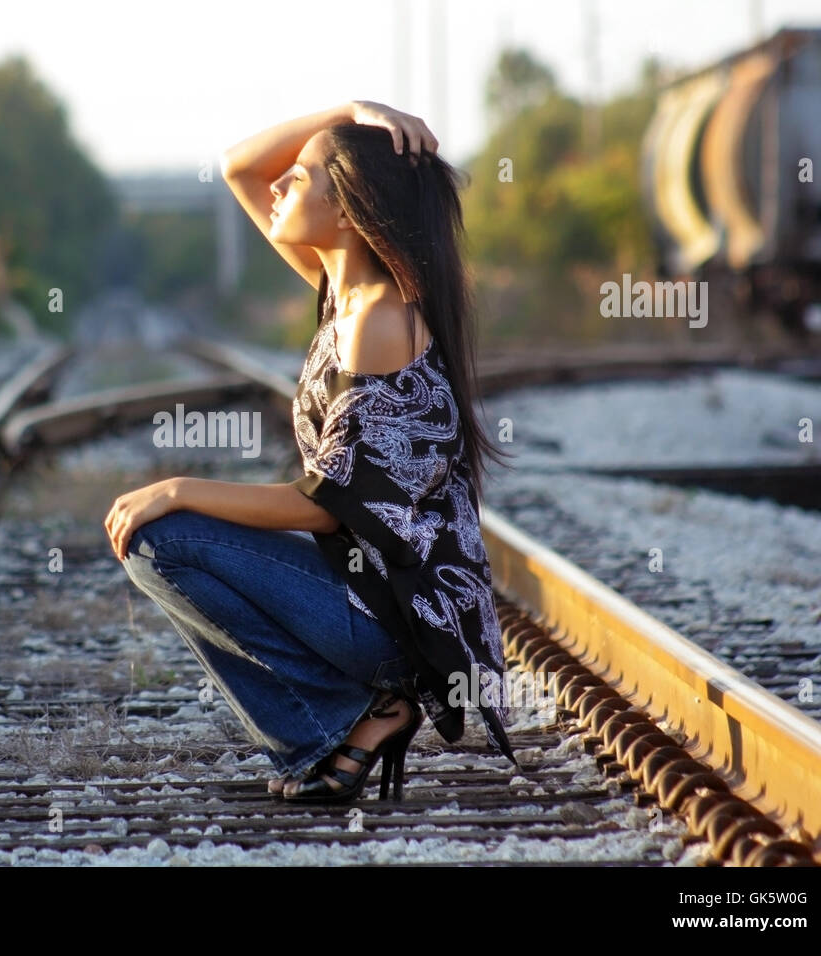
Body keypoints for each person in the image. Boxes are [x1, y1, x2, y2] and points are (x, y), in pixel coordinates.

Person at [104, 100, 517, 803]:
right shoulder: (345, 299)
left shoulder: (381, 322)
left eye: (297, 179)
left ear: (350, 211)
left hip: (400, 622)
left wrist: (177, 487)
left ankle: (333, 725)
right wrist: (351, 110)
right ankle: (353, 720)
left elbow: (329, 504)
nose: (277, 187)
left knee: (161, 536)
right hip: (371, 601)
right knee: (160, 537)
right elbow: (239, 166)